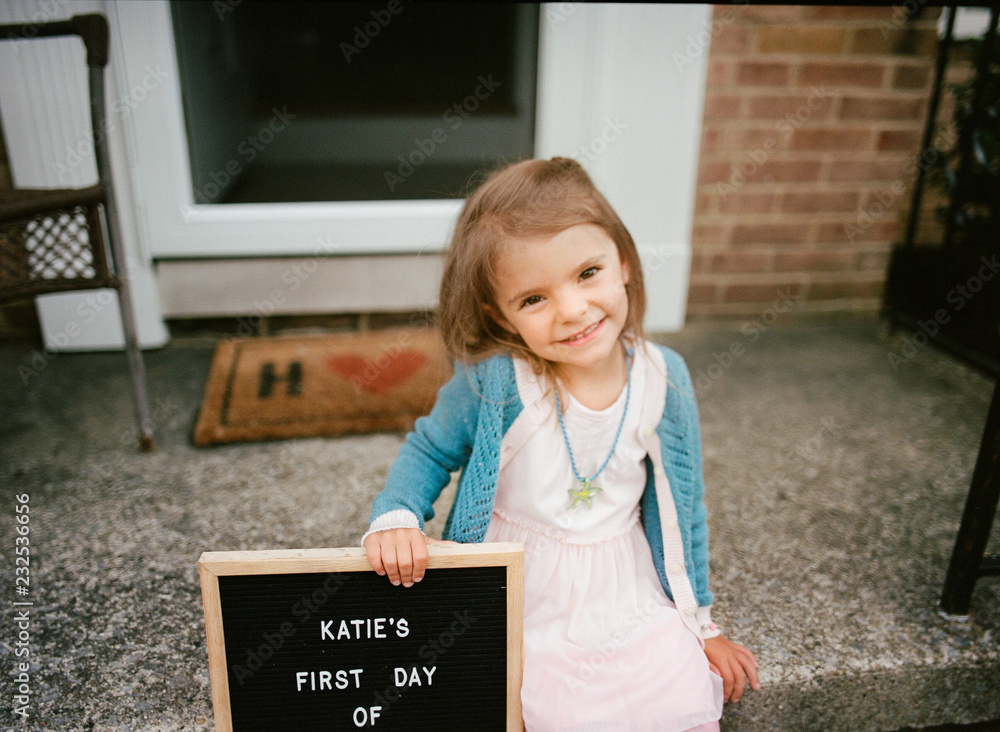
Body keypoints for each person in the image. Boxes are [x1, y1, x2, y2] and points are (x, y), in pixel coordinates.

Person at [362, 157, 760, 731]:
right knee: (522, 694)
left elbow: (682, 508)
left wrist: (702, 623)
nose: (573, 310)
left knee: (666, 688)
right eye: (533, 299)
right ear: (496, 313)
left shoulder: (661, 380)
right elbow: (430, 449)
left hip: (619, 582)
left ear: (622, 261)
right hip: (518, 577)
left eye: (587, 273)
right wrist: (397, 517)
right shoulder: (498, 380)